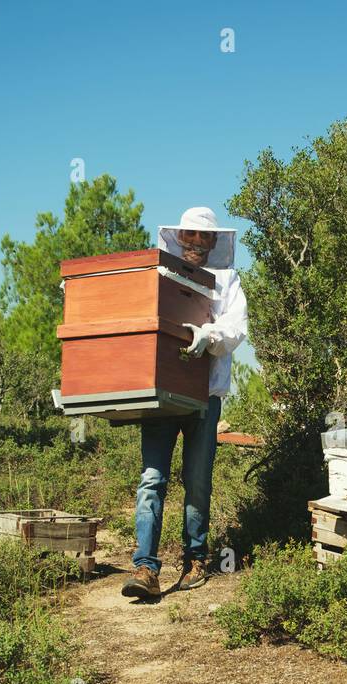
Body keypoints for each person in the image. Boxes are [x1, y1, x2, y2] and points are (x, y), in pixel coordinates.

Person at [121, 207, 247, 599]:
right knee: (151, 479)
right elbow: (136, 310)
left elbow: (235, 328)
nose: (195, 243)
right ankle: (145, 567)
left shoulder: (227, 280)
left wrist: (208, 335)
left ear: (213, 242)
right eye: (190, 235)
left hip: (204, 395)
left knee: (197, 481)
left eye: (203, 237)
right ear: (179, 238)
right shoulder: (161, 274)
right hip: (160, 392)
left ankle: (196, 558)